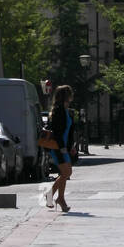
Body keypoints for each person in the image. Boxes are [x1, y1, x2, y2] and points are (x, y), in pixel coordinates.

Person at [45, 84, 75, 213]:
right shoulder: (58, 110)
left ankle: (61, 199)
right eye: (70, 93)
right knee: (67, 173)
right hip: (58, 147)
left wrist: (70, 146)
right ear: (65, 96)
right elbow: (57, 132)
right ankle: (50, 195)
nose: (71, 96)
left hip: (63, 147)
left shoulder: (65, 109)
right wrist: (62, 148)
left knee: (64, 173)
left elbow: (68, 131)